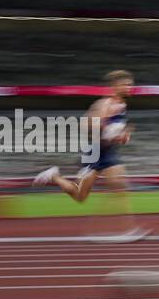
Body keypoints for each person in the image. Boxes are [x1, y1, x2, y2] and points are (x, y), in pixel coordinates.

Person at [34, 70, 146, 237]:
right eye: (127, 84)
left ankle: (128, 229)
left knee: (119, 187)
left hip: (108, 152)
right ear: (115, 86)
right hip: (94, 151)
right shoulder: (105, 103)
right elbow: (87, 124)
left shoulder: (122, 106)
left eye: (131, 84)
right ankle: (55, 176)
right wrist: (107, 129)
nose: (131, 87)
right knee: (81, 196)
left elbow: (115, 136)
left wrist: (122, 136)